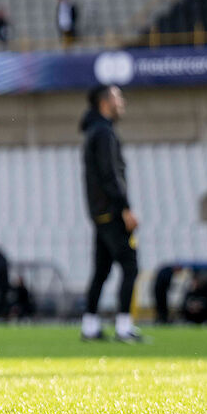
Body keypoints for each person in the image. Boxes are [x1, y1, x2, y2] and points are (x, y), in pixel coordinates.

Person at [80, 85, 144, 342]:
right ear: (105, 103)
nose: (122, 102)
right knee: (130, 265)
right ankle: (123, 326)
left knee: (101, 270)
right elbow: (110, 175)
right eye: (118, 98)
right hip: (111, 212)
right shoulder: (104, 133)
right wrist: (125, 208)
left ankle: (89, 326)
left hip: (99, 213)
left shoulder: (93, 132)